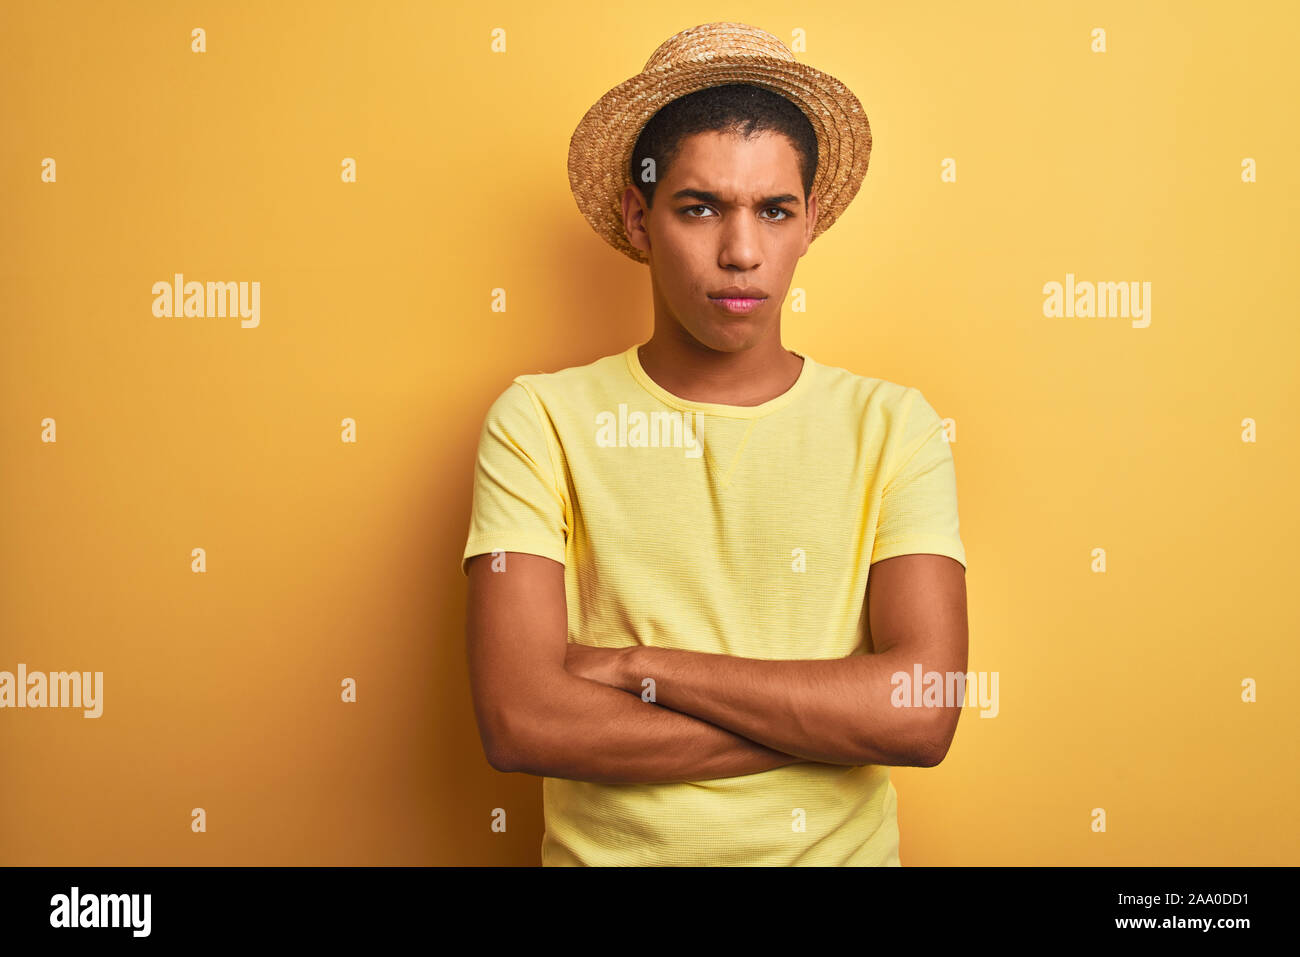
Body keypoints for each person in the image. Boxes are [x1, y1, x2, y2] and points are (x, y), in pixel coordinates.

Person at [461, 22, 969, 866]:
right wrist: (831, 724)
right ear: (639, 216)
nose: (741, 252)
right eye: (700, 208)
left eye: (775, 211)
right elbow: (522, 720)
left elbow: (921, 710)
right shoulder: (539, 420)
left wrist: (635, 668)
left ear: (811, 224)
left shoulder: (893, 425)